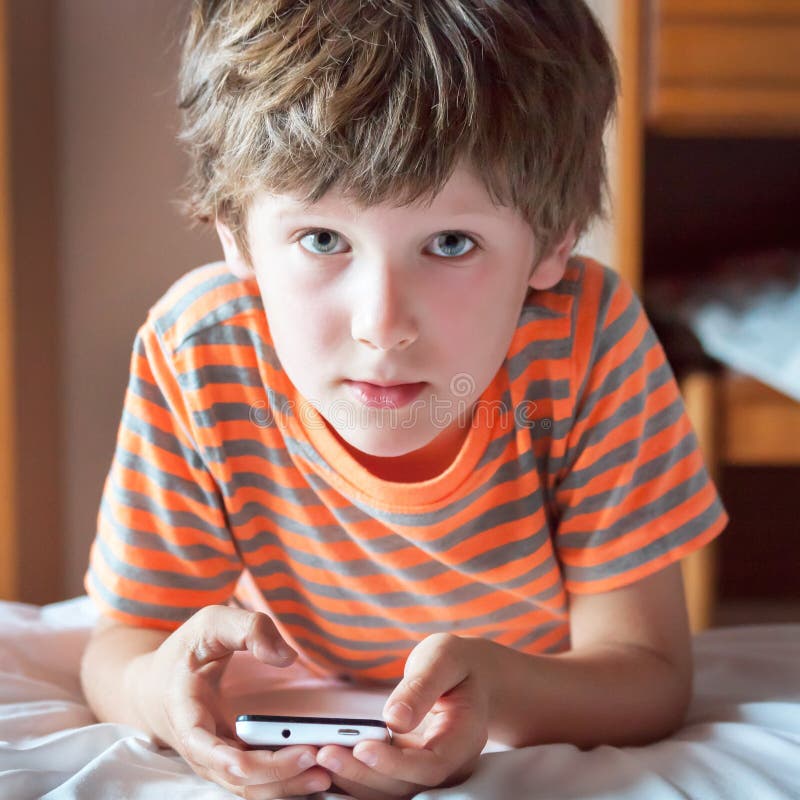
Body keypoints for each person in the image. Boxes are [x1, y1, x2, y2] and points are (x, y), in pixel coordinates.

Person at [80, 1, 728, 798]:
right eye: (323, 240)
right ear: (238, 236)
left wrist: (499, 694)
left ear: (553, 241)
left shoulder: (589, 342)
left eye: (451, 244)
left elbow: (648, 672)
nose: (382, 325)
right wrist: (162, 694)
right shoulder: (199, 352)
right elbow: (123, 644)